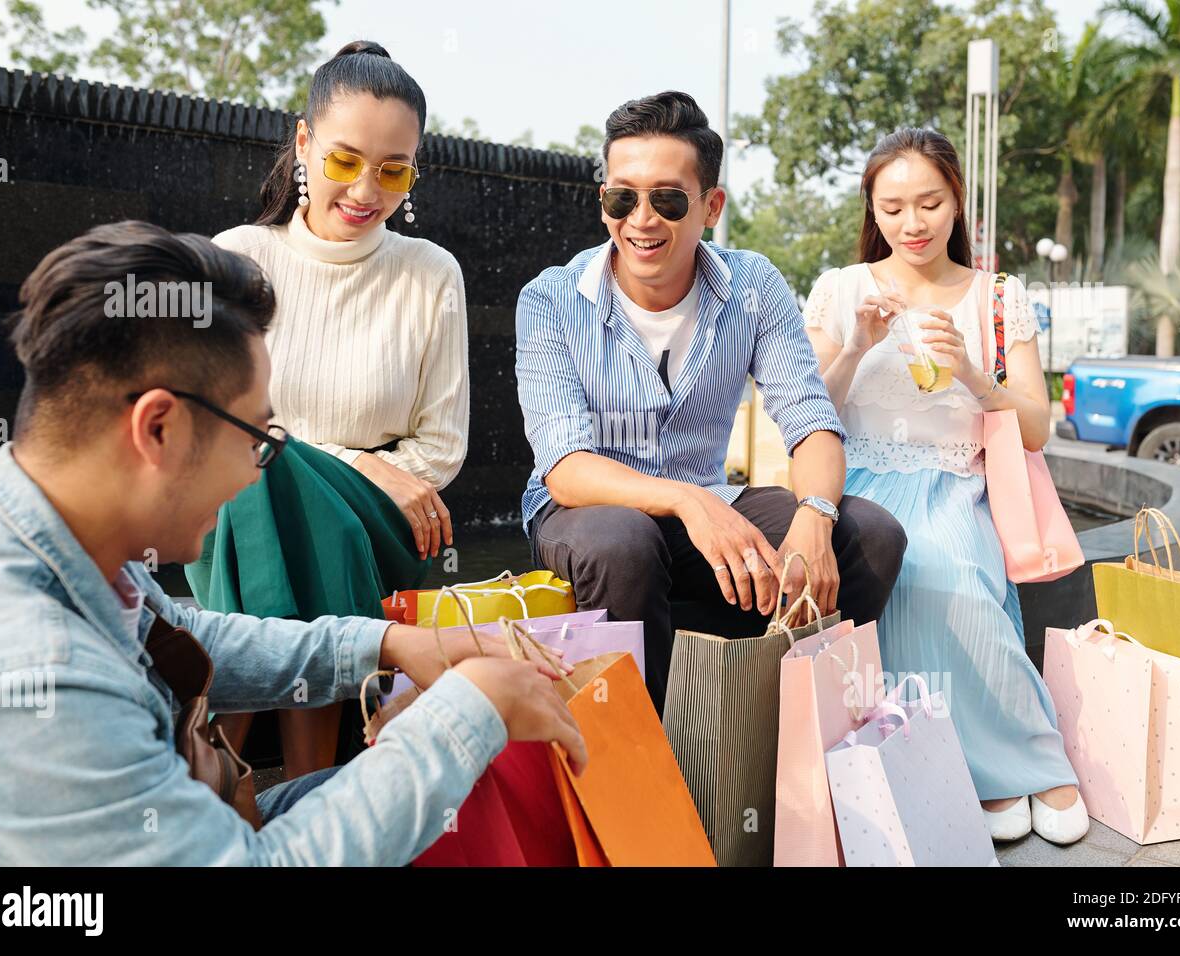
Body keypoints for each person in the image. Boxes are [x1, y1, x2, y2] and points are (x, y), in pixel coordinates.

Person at [0, 221, 584, 865]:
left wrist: (393, 643)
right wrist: (462, 715)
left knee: (468, 786)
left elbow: (193, 638)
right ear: (159, 429)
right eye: (255, 437)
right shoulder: (37, 673)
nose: (257, 470)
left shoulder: (35, 522)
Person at [515, 91, 907, 709]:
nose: (641, 220)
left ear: (711, 206)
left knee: (872, 535)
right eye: (623, 197)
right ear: (604, 203)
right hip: (588, 514)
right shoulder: (551, 299)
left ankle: (777, 734)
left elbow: (811, 423)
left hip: (709, 504)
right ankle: (641, 765)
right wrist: (688, 501)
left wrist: (815, 517)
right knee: (625, 543)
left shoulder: (753, 286)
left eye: (667, 200)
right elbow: (565, 468)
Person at [189, 40, 471, 775]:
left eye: (393, 170)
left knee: (273, 465)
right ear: (305, 144)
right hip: (239, 511)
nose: (366, 189)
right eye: (346, 161)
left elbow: (440, 449)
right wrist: (354, 461)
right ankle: (321, 783)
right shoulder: (238, 257)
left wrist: (335, 470)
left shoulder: (430, 273)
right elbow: (218, 419)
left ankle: (219, 766)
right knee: (265, 467)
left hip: (376, 524)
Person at [802, 127, 1087, 845]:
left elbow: (1034, 427)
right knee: (902, 569)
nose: (912, 223)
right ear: (873, 209)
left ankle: (1025, 760)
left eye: (929, 202)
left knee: (957, 573)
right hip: (859, 482)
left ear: (956, 201)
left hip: (956, 483)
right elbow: (807, 413)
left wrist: (970, 371)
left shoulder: (996, 298)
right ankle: (949, 765)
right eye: (893, 207)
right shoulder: (841, 291)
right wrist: (860, 346)